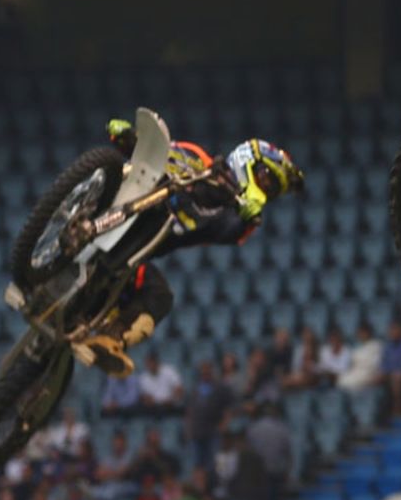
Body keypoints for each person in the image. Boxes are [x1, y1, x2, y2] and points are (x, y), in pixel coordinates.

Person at [70, 129, 304, 376]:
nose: (266, 189)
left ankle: (109, 339)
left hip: (131, 257)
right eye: (266, 179)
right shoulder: (196, 157)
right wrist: (132, 139)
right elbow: (154, 157)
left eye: (272, 190)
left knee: (160, 295)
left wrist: (247, 218)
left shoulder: (228, 215)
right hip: (114, 206)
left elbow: (231, 232)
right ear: (250, 159)